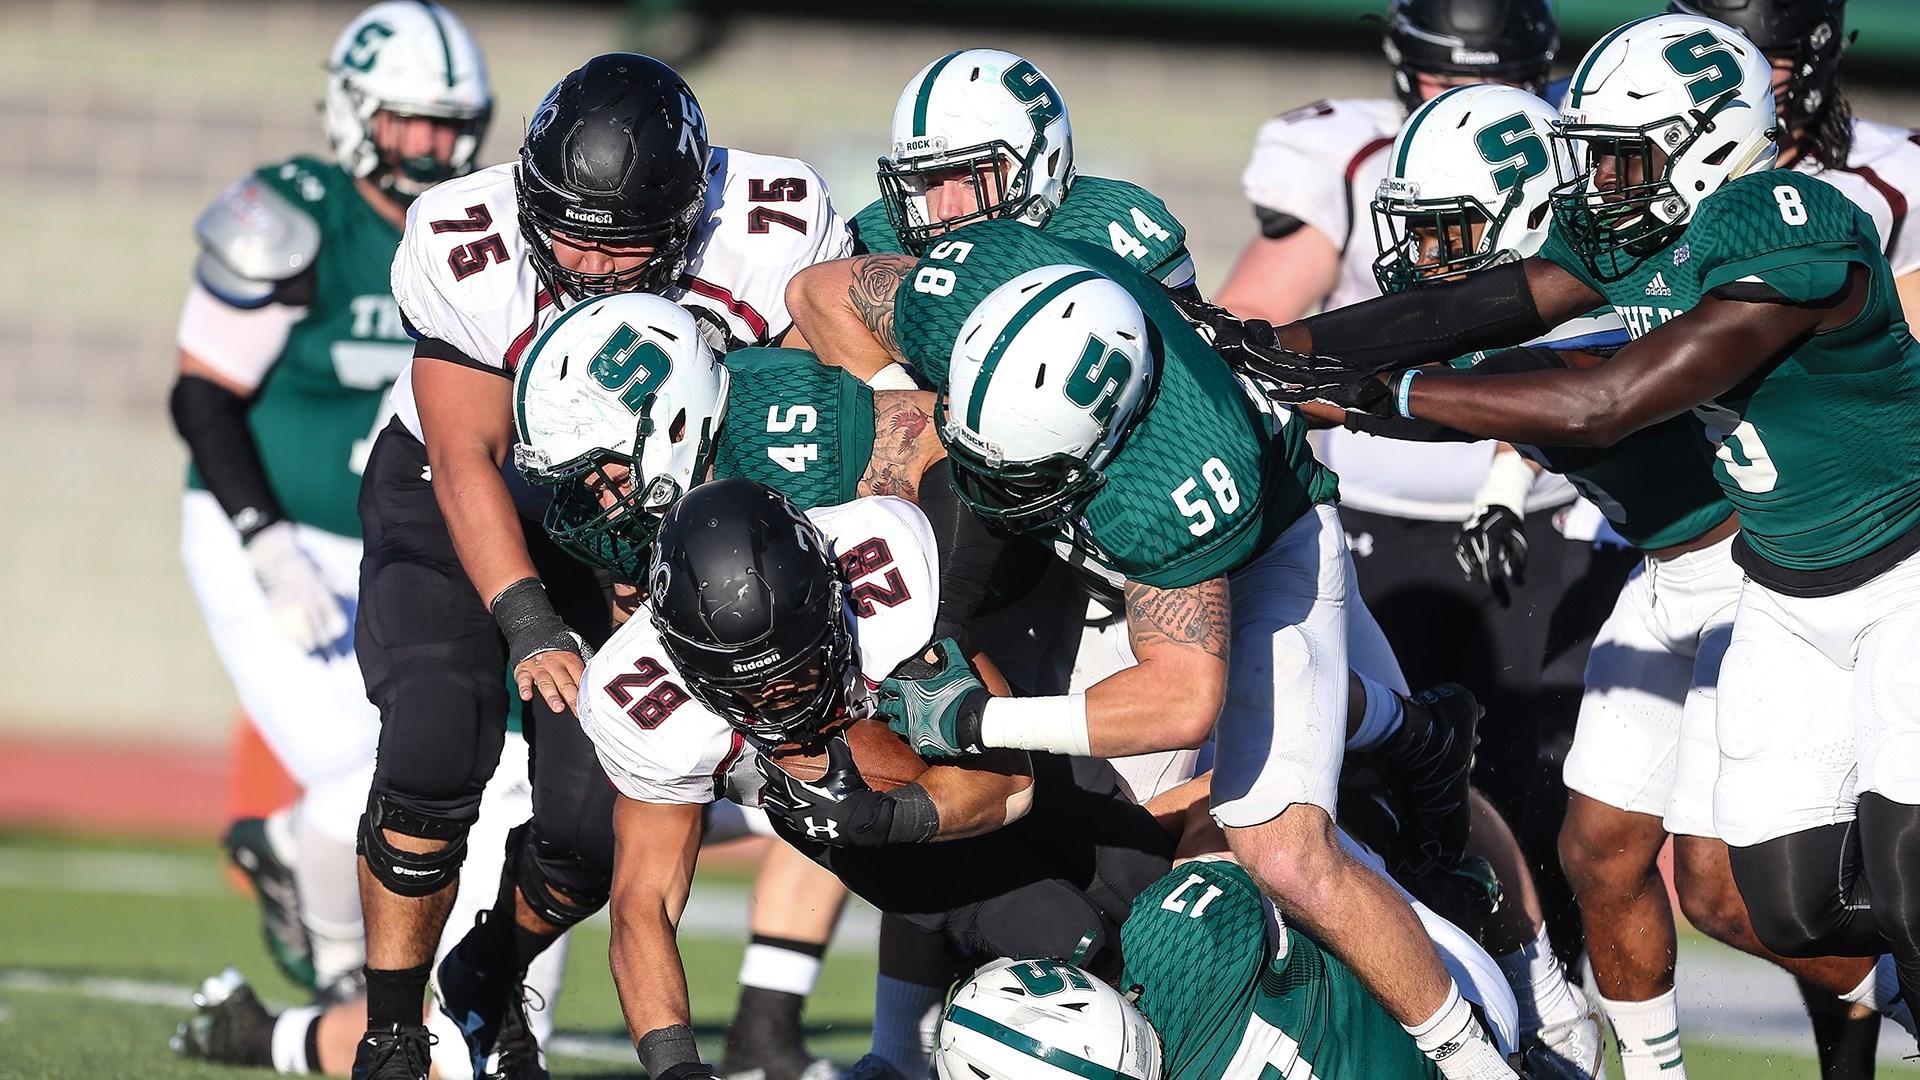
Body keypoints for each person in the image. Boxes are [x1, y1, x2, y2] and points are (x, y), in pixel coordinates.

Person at [1231, 11, 1920, 1036]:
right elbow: (1468, 313)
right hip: (1751, 582)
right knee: (1738, 889)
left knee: (1841, 890)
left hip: (1864, 568)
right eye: (1591, 161)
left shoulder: (1780, 225)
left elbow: (1596, 396)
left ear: (1710, 142)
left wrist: (1382, 397)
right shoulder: (1620, 232)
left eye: (1623, 160)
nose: (1602, 186)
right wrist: (1261, 345)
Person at [789, 239, 1526, 1080]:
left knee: (1277, 844)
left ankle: (1477, 1058)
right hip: (1100, 523)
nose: (987, 493)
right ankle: (1397, 732)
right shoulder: (968, 297)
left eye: (1015, 472)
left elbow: (1182, 699)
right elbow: (819, 293)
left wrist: (979, 717)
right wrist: (907, 413)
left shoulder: (1173, 483)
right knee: (1160, 827)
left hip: (1262, 555)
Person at [354, 51, 851, 1079]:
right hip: (477, 490)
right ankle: (393, 1030)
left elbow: (799, 417)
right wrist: (529, 617)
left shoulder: (773, 229)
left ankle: (489, 971)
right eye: (568, 233)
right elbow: (464, 453)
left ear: (684, 213)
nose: (588, 264)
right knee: (437, 741)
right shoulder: (467, 240)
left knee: (588, 833)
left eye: (620, 245)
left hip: (654, 506)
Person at [1213, 0, 1614, 972]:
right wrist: (1252, 357)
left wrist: (1483, 470)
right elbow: (1268, 316)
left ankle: (1546, 995)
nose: (1471, 97)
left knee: (1541, 788)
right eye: (1445, 78)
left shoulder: (1594, 179)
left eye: (1496, 78)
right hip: (1382, 511)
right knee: (1378, 769)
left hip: (1549, 505)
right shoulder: (1356, 158)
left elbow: (1572, 380)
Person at [569, 476, 1182, 1080]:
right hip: (835, 813)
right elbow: (641, 904)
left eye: (795, 665)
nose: (779, 697)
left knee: (1148, 885)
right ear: (682, 661)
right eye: (746, 685)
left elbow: (1011, 782)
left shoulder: (879, 563)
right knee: (1061, 935)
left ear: (833, 602)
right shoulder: (642, 704)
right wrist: (675, 1068)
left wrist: (887, 813)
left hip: (953, 763)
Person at [169, 0, 490, 1014]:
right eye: (407, 120)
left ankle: (294, 862)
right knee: (367, 768)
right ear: (357, 114)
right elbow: (201, 393)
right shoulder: (294, 215)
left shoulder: (477, 235)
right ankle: (352, 973)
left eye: (447, 123)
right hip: (271, 534)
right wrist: (265, 545)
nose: (429, 145)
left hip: (397, 546)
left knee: (430, 757)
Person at [932, 852, 1517, 1080]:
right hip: (1465, 1008)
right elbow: (1227, 841)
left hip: (1454, 1031)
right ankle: (1428, 879)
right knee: (1281, 845)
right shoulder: (1173, 942)